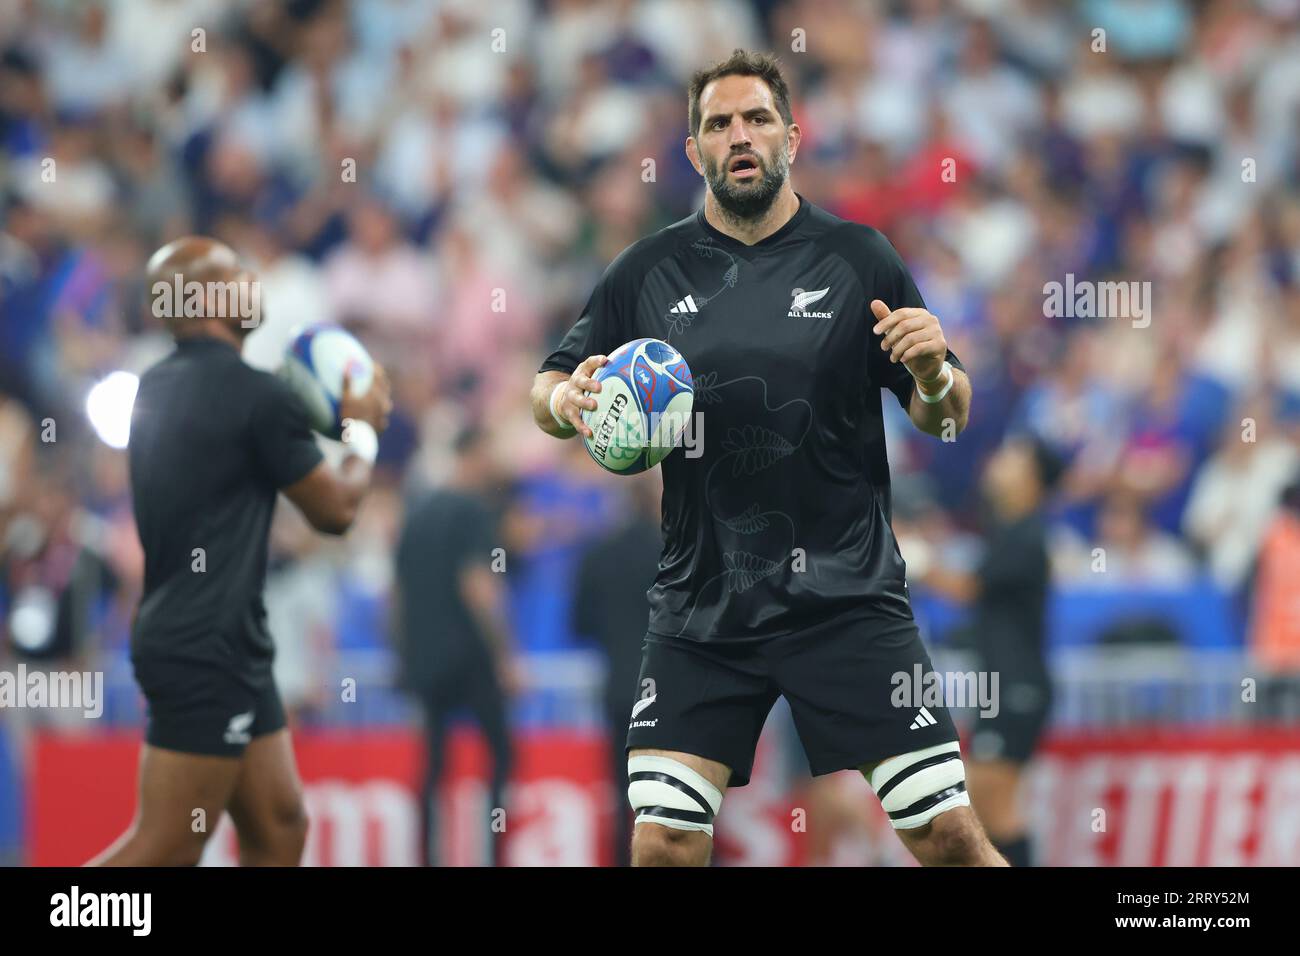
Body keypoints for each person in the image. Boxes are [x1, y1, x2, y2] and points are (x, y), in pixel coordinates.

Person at [531, 50, 1003, 867]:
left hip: (847, 598)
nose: (739, 136)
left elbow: (946, 415)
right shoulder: (646, 271)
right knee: (663, 846)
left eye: (755, 119)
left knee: (950, 838)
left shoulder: (859, 258)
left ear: (791, 133)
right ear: (693, 151)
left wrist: (934, 372)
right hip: (701, 607)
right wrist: (564, 404)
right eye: (718, 124)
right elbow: (544, 389)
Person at [89, 236, 391, 866]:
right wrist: (360, 427)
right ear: (201, 298)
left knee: (279, 827)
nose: (253, 285)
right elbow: (336, 512)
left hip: (216, 636)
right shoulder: (257, 395)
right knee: (168, 843)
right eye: (235, 275)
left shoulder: (153, 387)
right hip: (208, 643)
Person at [919, 437, 1063, 866]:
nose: (997, 461)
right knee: (983, 809)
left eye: (1012, 455)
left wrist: (912, 559)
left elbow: (967, 589)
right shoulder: (1007, 530)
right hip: (1001, 686)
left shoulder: (1027, 534)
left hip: (1017, 687)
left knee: (993, 809)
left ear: (1033, 478)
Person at [393, 424, 518, 867]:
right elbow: (478, 586)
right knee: (501, 755)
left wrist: (404, 655)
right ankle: (494, 855)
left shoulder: (416, 512)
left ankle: (425, 856)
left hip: (426, 658)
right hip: (470, 657)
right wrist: (506, 658)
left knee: (432, 765)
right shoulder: (473, 510)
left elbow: (396, 597)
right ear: (474, 454)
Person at [572, 470, 664, 866]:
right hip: (669, 691)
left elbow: (579, 623)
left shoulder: (598, 554)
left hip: (617, 691)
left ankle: (622, 858)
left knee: (621, 790)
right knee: (675, 791)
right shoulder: (673, 551)